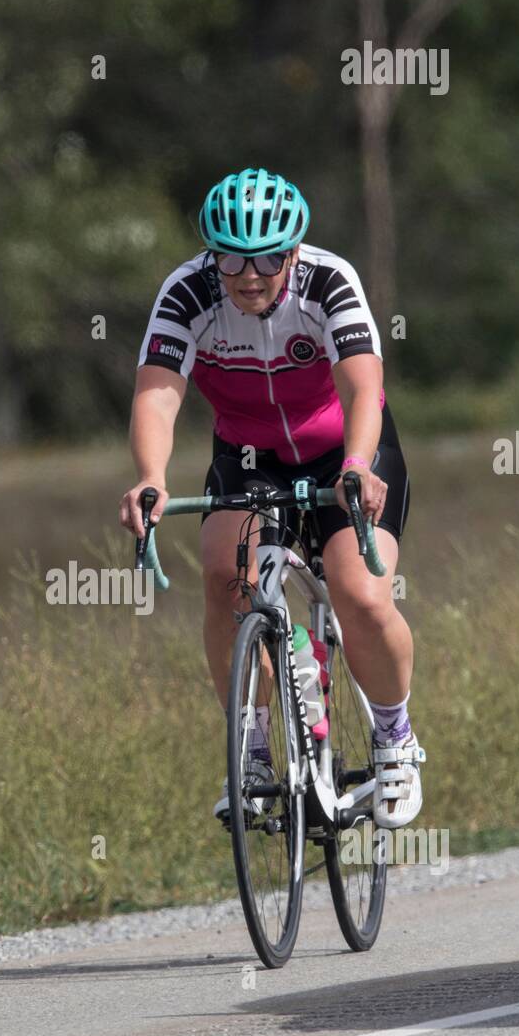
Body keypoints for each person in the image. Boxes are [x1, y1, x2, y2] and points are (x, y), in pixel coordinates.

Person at [119, 166, 424, 828]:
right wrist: (150, 475)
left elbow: (362, 386)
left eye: (267, 258)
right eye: (231, 259)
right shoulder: (187, 294)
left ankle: (396, 739)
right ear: (211, 253)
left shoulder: (328, 281)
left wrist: (358, 463)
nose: (249, 275)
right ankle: (253, 750)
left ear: (294, 250)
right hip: (250, 459)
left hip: (345, 450)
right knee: (228, 575)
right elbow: (159, 393)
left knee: (363, 593)